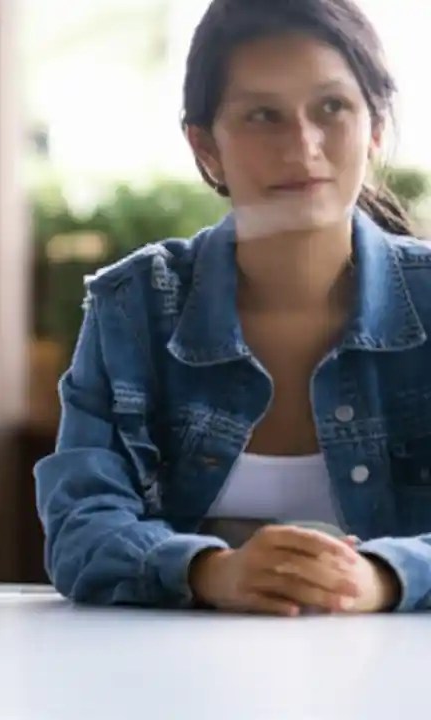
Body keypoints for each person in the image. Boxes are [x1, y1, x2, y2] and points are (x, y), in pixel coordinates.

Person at [35, 0, 431, 616]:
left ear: (375, 128)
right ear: (205, 148)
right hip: (172, 670)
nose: (303, 145)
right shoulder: (134, 308)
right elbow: (80, 526)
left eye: (331, 107)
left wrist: (382, 578)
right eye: (262, 115)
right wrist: (210, 572)